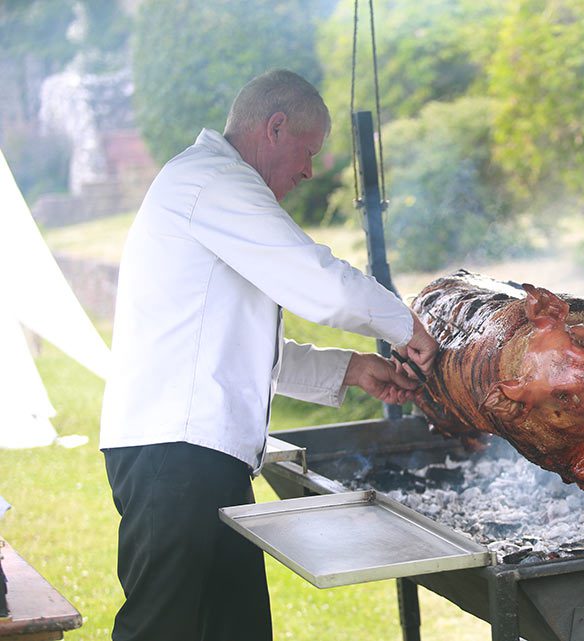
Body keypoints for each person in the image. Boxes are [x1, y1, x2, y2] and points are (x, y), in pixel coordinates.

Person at [99, 69, 437, 641]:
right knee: (162, 629)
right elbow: (317, 280)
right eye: (309, 151)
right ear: (275, 127)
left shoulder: (212, 189)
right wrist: (405, 326)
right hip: (173, 456)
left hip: (197, 457)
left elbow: (244, 350)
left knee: (237, 629)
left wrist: (354, 369)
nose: (309, 171)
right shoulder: (212, 181)